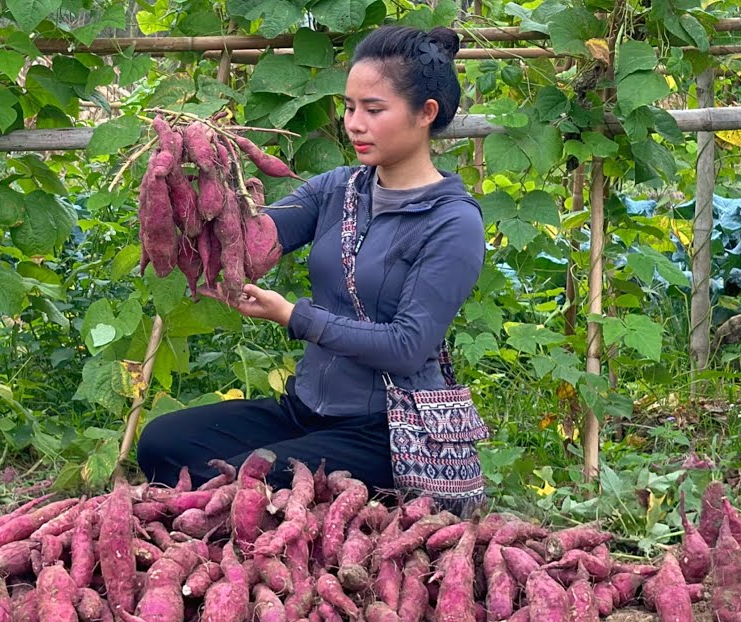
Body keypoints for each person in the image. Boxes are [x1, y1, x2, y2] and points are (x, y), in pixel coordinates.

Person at [136, 24, 486, 493]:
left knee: (239, 484)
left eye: (373, 109)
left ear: (426, 113)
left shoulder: (453, 222)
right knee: (161, 444)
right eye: (349, 106)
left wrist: (292, 316)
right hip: (301, 412)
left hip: (385, 430)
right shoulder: (338, 189)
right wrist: (193, 175)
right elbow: (251, 240)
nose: (354, 123)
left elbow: (407, 346)